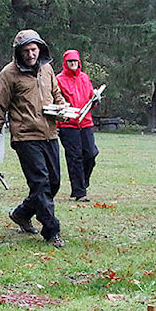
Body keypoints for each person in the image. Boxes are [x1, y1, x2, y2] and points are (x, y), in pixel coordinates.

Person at [0, 29, 68, 247]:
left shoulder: (47, 68)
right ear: (18, 52)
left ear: (40, 48)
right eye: (26, 51)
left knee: (54, 183)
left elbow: (56, 93)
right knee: (40, 184)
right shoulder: (8, 74)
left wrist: (61, 106)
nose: (31, 55)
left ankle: (22, 213)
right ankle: (52, 231)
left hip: (50, 133)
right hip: (25, 137)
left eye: (33, 50)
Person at [56, 50, 100, 202]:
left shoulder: (85, 78)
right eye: (70, 61)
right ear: (65, 63)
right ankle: (79, 192)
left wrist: (94, 100)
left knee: (91, 154)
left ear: (79, 62)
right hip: (68, 124)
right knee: (75, 157)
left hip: (86, 122)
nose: (73, 64)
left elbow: (89, 99)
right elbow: (57, 101)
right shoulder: (59, 80)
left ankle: (82, 182)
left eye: (75, 61)